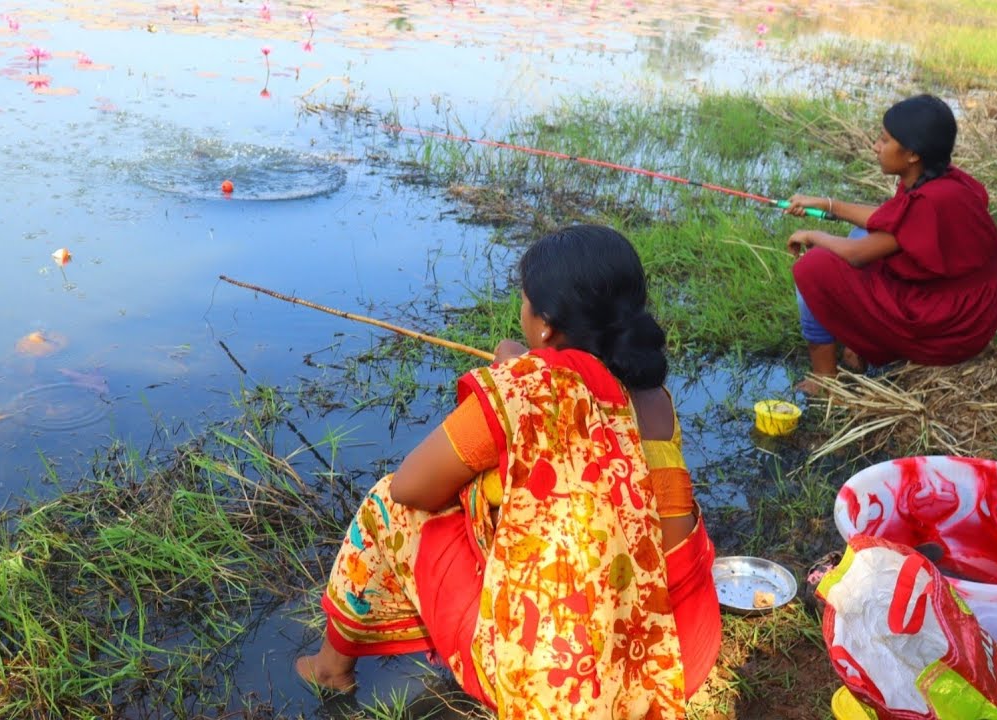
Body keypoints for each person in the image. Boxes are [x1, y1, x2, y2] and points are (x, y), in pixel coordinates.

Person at [295, 225, 721, 717]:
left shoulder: (523, 388)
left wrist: (512, 377)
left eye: (524, 301)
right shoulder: (655, 399)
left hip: (574, 685)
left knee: (386, 504)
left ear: (544, 325)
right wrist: (529, 366)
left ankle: (330, 670)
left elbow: (413, 486)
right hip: (680, 653)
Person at [783, 94, 997, 395]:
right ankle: (858, 347)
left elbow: (857, 256)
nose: (876, 146)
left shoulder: (930, 200)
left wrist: (811, 236)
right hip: (967, 310)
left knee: (814, 265)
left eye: (884, 140)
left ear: (912, 154)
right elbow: (887, 220)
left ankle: (824, 376)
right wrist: (826, 203)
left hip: (949, 328)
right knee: (861, 234)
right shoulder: (946, 180)